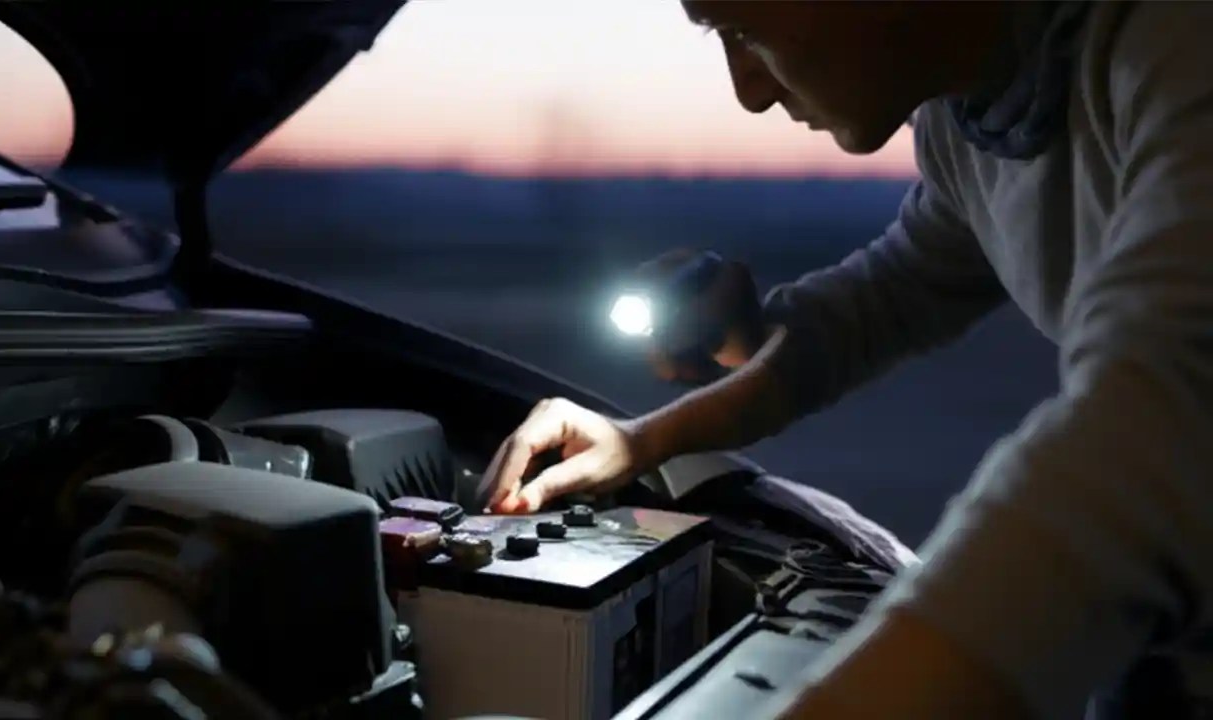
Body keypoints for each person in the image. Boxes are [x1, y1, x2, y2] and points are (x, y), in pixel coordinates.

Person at [480, 1, 1213, 718]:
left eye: (741, 29)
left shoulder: (1176, 39)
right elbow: (882, 300)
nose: (750, 91)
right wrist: (643, 438)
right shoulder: (971, 119)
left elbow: (1161, 419)